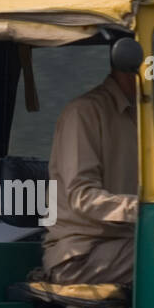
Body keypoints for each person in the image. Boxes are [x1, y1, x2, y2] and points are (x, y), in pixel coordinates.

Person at [42, 50, 138, 286]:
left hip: (125, 246)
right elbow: (82, 197)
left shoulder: (146, 117)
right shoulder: (84, 112)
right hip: (80, 254)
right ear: (130, 64)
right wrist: (148, 210)